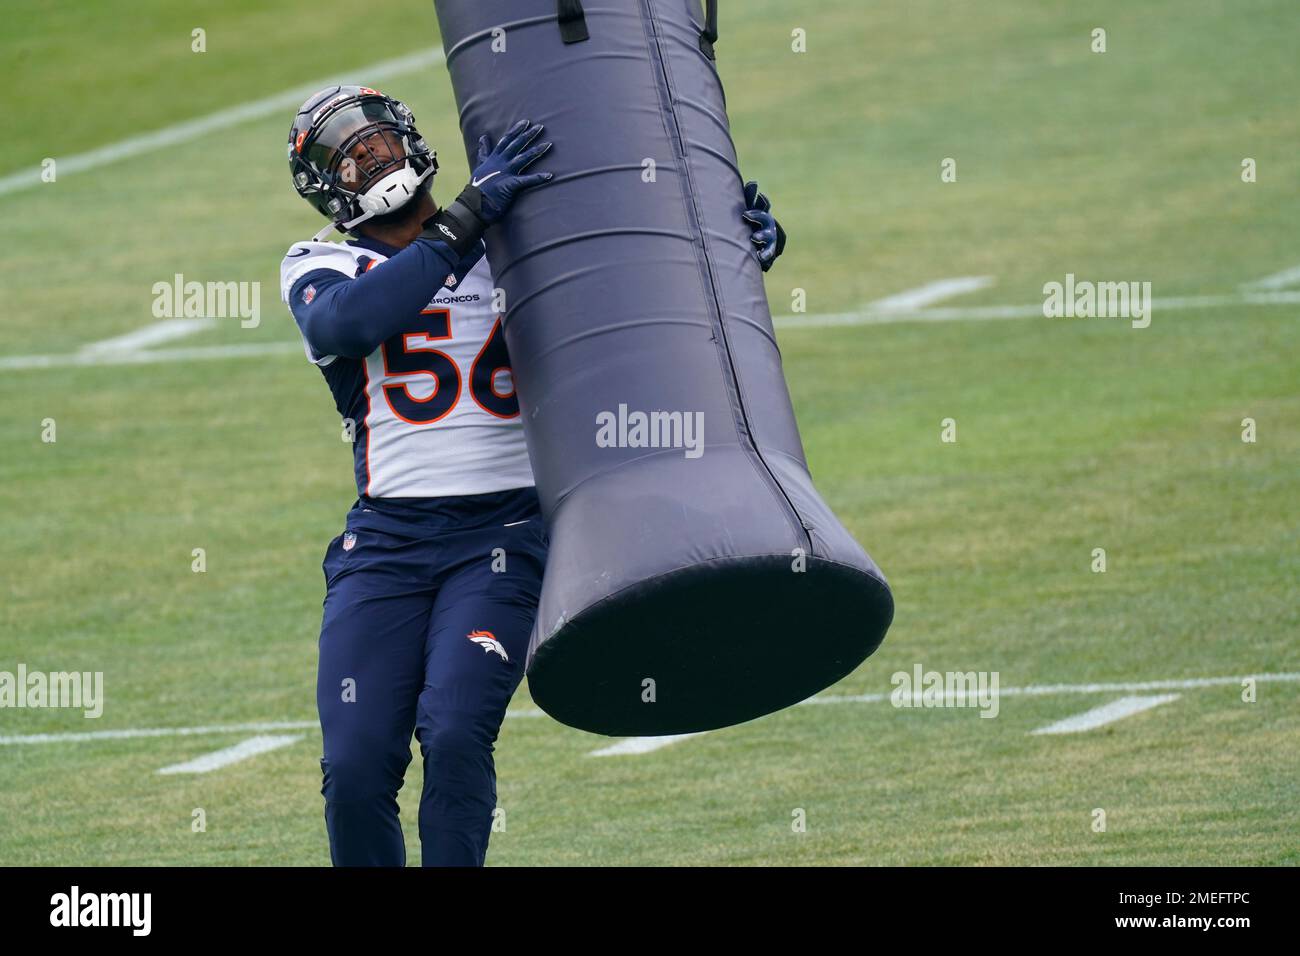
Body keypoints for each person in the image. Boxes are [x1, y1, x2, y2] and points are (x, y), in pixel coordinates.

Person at [279, 85, 786, 866]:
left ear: (412, 140)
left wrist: (727, 249)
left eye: (381, 142)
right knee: (353, 765)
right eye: (354, 158)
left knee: (452, 732)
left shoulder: (511, 240)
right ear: (326, 189)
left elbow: (639, 287)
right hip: (386, 541)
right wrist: (464, 222)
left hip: (503, 534)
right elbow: (347, 323)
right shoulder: (323, 261)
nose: (377, 160)